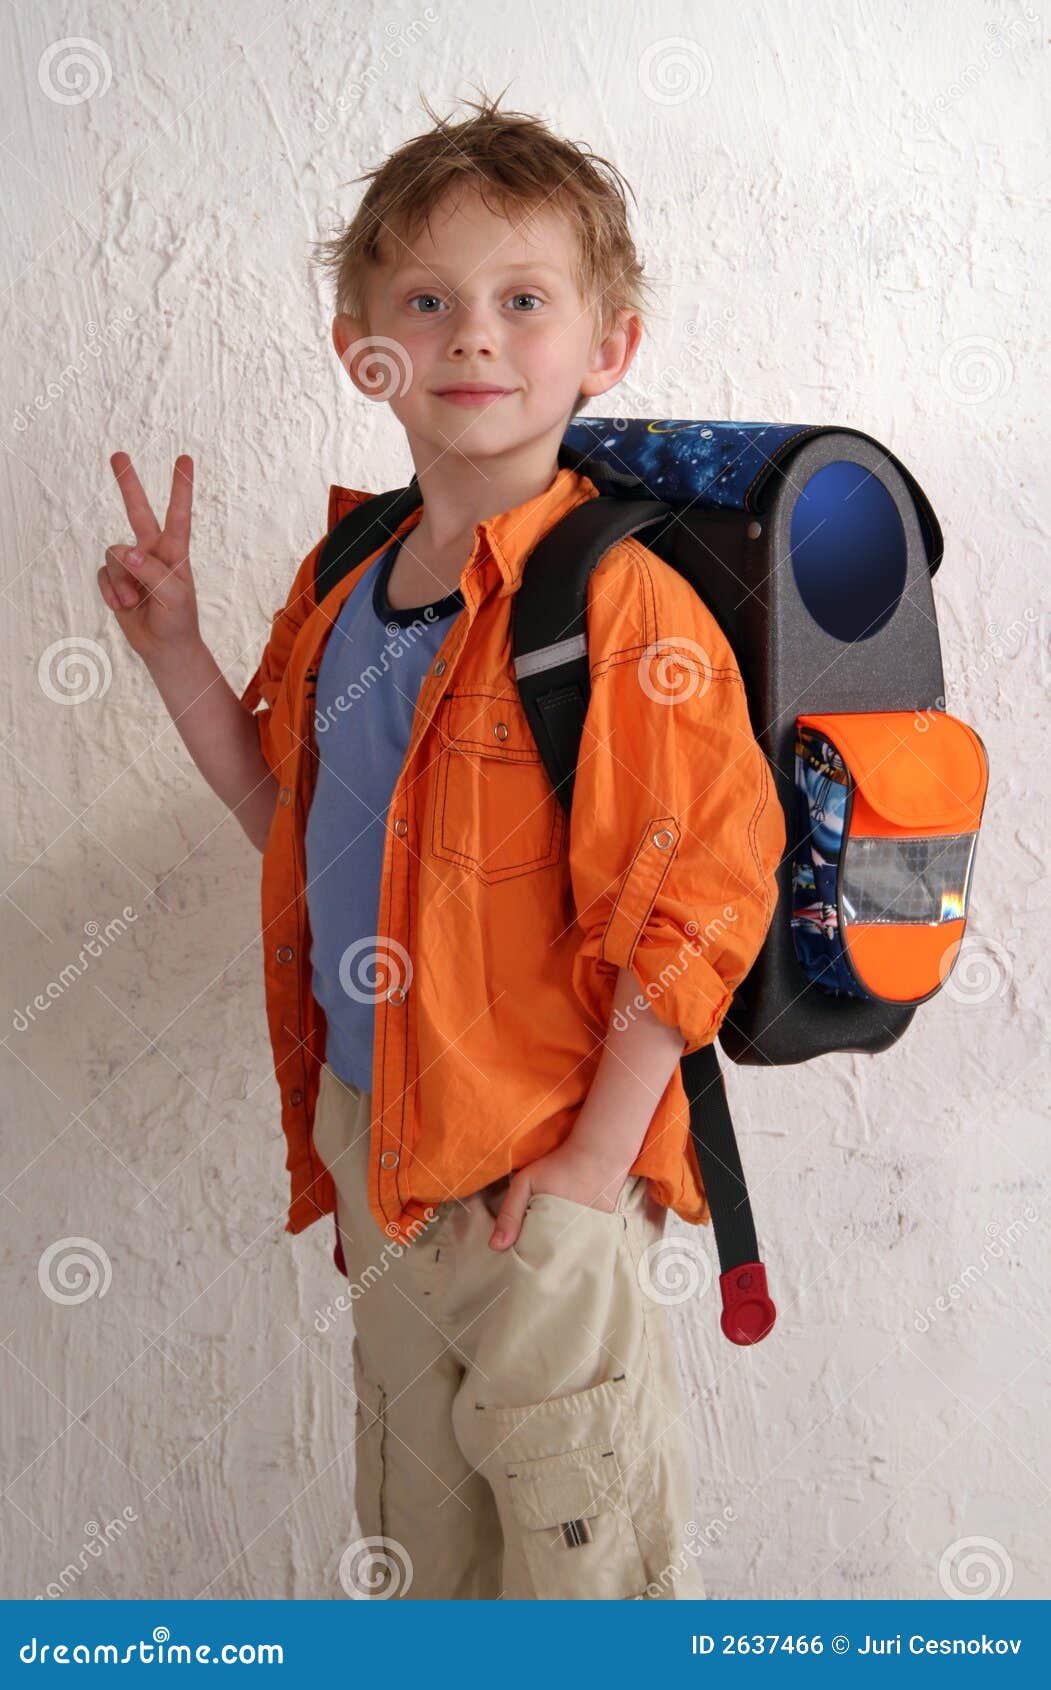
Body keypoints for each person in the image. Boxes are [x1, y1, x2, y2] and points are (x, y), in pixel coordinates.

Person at [98, 88, 785, 1601]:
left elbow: (704, 904)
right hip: (382, 1146)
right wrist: (177, 655)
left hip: (547, 1164)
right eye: (428, 301)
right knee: (424, 1536)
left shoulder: (619, 610)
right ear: (367, 349)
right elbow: (292, 827)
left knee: (576, 1550)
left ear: (609, 347)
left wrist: (596, 1164)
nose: (474, 335)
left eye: (524, 300)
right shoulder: (347, 580)